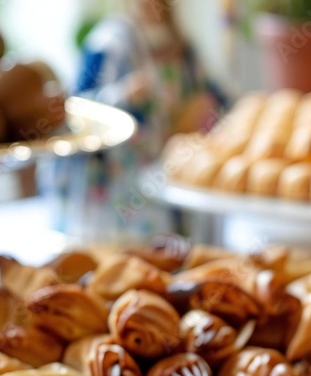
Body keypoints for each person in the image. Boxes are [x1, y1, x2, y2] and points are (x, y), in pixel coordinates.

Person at [52, 0, 225, 242]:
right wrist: (123, 95)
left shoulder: (182, 47)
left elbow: (220, 99)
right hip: (120, 190)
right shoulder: (109, 42)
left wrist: (206, 108)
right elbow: (76, 108)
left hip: (171, 183)